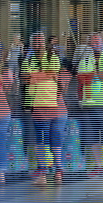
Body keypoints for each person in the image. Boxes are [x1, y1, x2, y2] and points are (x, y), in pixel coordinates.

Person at [23, 34, 68, 186]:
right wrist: (45, 76)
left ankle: (47, 172)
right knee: (48, 140)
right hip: (42, 105)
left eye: (40, 41)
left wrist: (35, 77)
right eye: (34, 42)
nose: (37, 44)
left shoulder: (52, 56)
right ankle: (57, 171)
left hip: (50, 106)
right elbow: (25, 77)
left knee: (48, 141)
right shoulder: (28, 60)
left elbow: (52, 73)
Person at [77, 31, 103, 172]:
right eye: (93, 42)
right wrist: (95, 76)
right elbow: (81, 78)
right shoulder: (85, 60)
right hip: (88, 103)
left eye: (98, 41)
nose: (96, 44)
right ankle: (99, 165)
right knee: (92, 136)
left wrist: (90, 76)